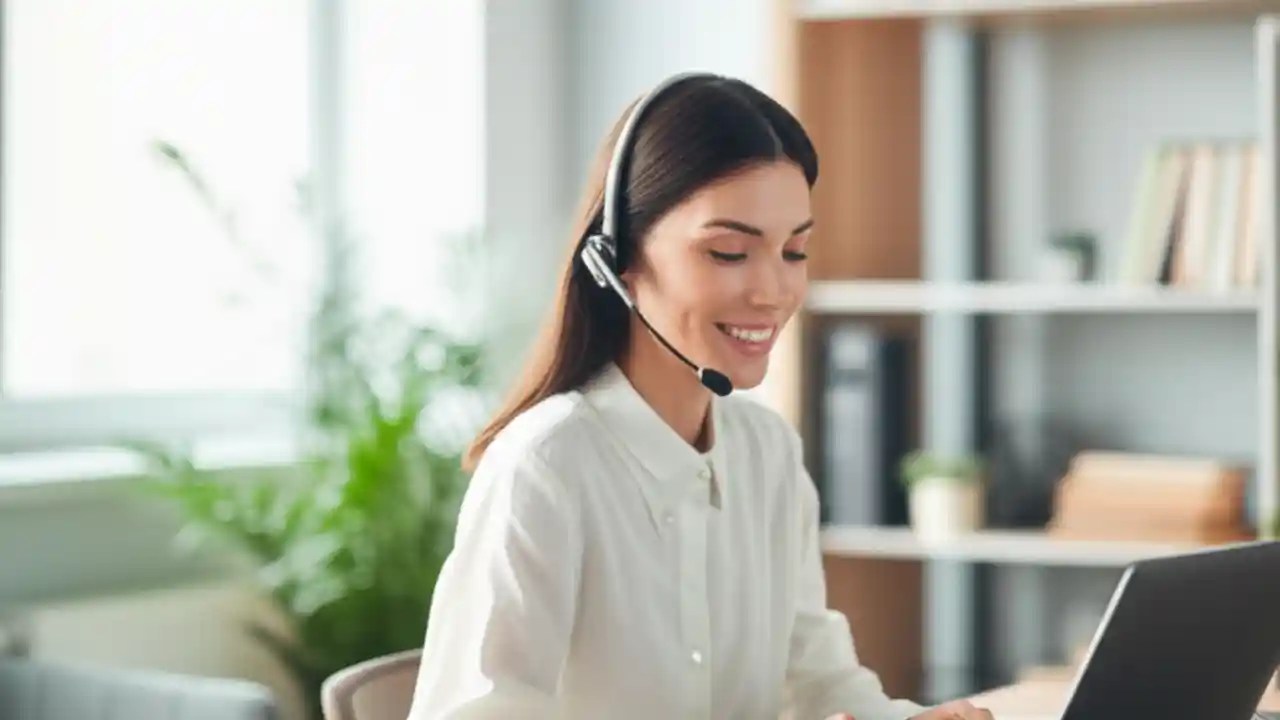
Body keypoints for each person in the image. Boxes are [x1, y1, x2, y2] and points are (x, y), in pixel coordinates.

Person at [407, 72, 994, 720]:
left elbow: (821, 683)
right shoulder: (548, 465)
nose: (772, 291)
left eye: (795, 251)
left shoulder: (767, 452)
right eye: (729, 252)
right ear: (618, 258)